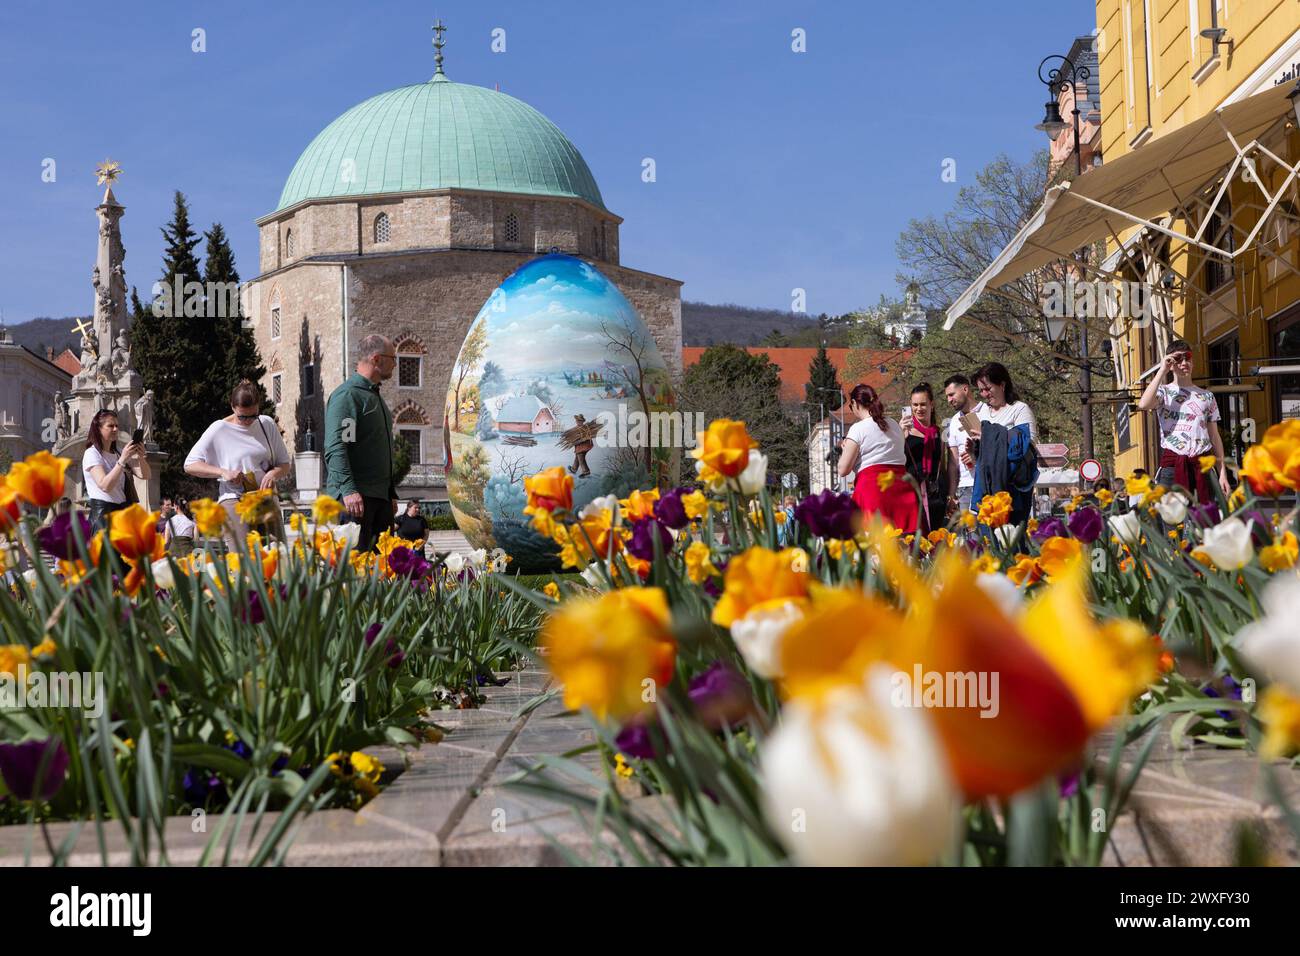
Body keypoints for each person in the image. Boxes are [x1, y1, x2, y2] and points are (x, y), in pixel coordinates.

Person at [184, 380, 292, 549]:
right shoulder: (219, 429)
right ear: (232, 407)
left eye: (253, 415)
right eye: (242, 416)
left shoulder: (267, 424)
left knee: (278, 553)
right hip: (235, 499)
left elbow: (285, 464)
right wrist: (223, 472)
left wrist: (273, 474)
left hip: (265, 498)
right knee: (244, 557)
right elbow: (190, 464)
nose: (248, 421)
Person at [325, 334, 399, 553]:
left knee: (383, 572)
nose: (395, 364)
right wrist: (348, 489)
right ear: (376, 359)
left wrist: (389, 493)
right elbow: (338, 446)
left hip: (379, 498)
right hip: (356, 501)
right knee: (354, 573)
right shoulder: (349, 396)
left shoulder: (373, 395)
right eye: (392, 358)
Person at [1136, 339, 1232, 502]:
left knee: (1205, 520)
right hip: (1172, 467)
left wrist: (1222, 473)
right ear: (1171, 363)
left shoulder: (1206, 396)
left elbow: (1214, 436)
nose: (1184, 363)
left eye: (1188, 357)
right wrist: (1162, 370)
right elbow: (1143, 404)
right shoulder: (1164, 393)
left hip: (1203, 465)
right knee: (1172, 521)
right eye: (1178, 359)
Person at [836, 383, 918, 532]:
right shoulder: (894, 424)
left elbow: (843, 469)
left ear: (855, 403)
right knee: (906, 546)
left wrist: (845, 450)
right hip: (902, 490)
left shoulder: (857, 429)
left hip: (872, 491)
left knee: (875, 548)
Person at [968, 362, 1040, 526]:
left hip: (1013, 488)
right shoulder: (982, 412)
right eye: (981, 390)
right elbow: (983, 459)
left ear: (1002, 384)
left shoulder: (1019, 409)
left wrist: (988, 436)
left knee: (1012, 540)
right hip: (988, 489)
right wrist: (973, 450)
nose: (984, 394)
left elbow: (1026, 444)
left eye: (988, 388)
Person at [83, 408, 144, 531]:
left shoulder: (119, 453)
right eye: (110, 426)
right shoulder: (92, 453)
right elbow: (105, 486)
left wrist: (141, 457)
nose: (115, 429)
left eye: (117, 425)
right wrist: (122, 461)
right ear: (98, 429)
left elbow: (144, 475)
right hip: (103, 515)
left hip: (121, 513)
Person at [902, 382, 948, 533]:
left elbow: (942, 466)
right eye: (915, 405)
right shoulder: (905, 432)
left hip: (935, 495)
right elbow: (897, 462)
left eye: (923, 404)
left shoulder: (938, 433)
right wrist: (900, 435)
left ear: (932, 405)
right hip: (912, 495)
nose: (918, 409)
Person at [942, 374, 986, 516]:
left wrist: (976, 456)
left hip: (986, 484)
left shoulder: (988, 412)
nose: (949, 400)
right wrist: (952, 494)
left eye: (951, 395)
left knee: (990, 535)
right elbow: (953, 462)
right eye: (947, 397)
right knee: (971, 536)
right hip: (964, 487)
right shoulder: (954, 421)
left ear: (965, 389)